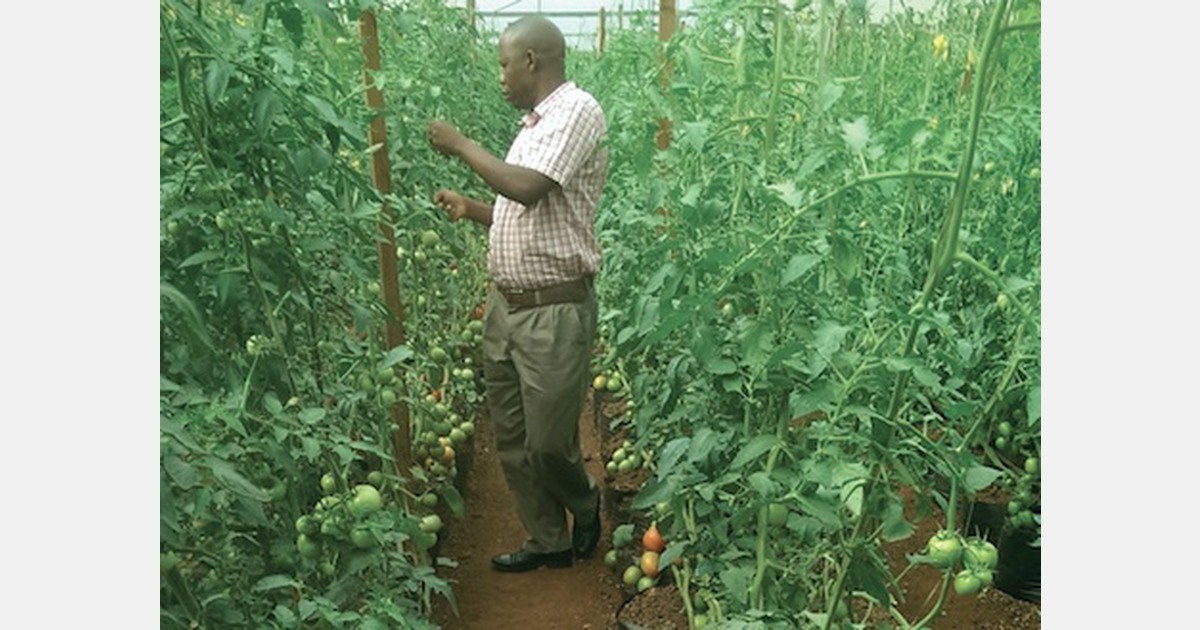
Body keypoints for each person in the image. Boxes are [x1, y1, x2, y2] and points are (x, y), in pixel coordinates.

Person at [426, 15, 607, 573]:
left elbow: (528, 189)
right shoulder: (532, 124)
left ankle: (585, 502)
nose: (500, 75)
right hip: (508, 307)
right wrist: (474, 209)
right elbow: (524, 212)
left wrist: (462, 146)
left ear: (532, 60)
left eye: (504, 63)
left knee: (549, 444)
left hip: (552, 310)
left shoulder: (577, 110)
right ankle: (547, 539)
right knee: (512, 438)